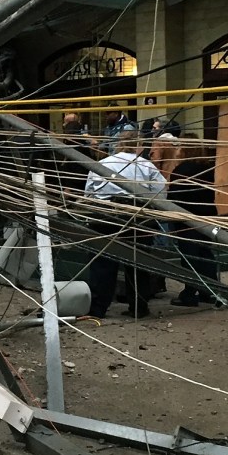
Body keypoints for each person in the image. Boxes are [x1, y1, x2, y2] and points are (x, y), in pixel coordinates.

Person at [84, 130, 167, 318]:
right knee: (137, 264)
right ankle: (139, 307)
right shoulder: (147, 165)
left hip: (105, 216)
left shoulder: (104, 163)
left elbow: (89, 192)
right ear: (139, 145)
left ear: (119, 144)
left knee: (103, 264)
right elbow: (161, 192)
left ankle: (98, 309)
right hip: (139, 217)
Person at [153, 133, 220, 307]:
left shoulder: (181, 170)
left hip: (187, 219)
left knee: (190, 257)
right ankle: (211, 291)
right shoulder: (207, 167)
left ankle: (189, 293)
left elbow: (175, 197)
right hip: (207, 216)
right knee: (205, 254)